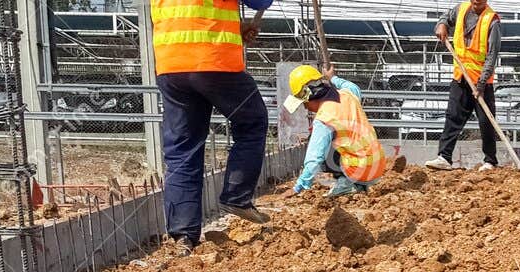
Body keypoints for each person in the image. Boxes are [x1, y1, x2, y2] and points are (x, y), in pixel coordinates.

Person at [151, 0, 275, 251]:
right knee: (253, 121)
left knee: (182, 151)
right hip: (213, 60)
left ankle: (183, 236)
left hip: (171, 65)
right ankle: (237, 196)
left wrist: (232, 27)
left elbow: (189, 15)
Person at [284, 66, 389, 198]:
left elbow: (314, 158)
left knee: (322, 146)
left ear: (310, 96)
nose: (306, 108)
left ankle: (348, 184)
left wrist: (299, 186)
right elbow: (352, 86)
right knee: (340, 140)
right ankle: (358, 183)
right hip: (378, 165)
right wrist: (333, 77)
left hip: (360, 172)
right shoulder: (348, 94)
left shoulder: (324, 118)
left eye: (304, 103)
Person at [423, 0, 501, 171]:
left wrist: (481, 83)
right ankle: (444, 157)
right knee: (453, 117)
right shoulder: (461, 8)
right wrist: (442, 24)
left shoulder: (492, 21)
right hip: (460, 78)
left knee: (486, 122)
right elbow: (446, 17)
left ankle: (490, 161)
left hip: (481, 82)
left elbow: (492, 56)